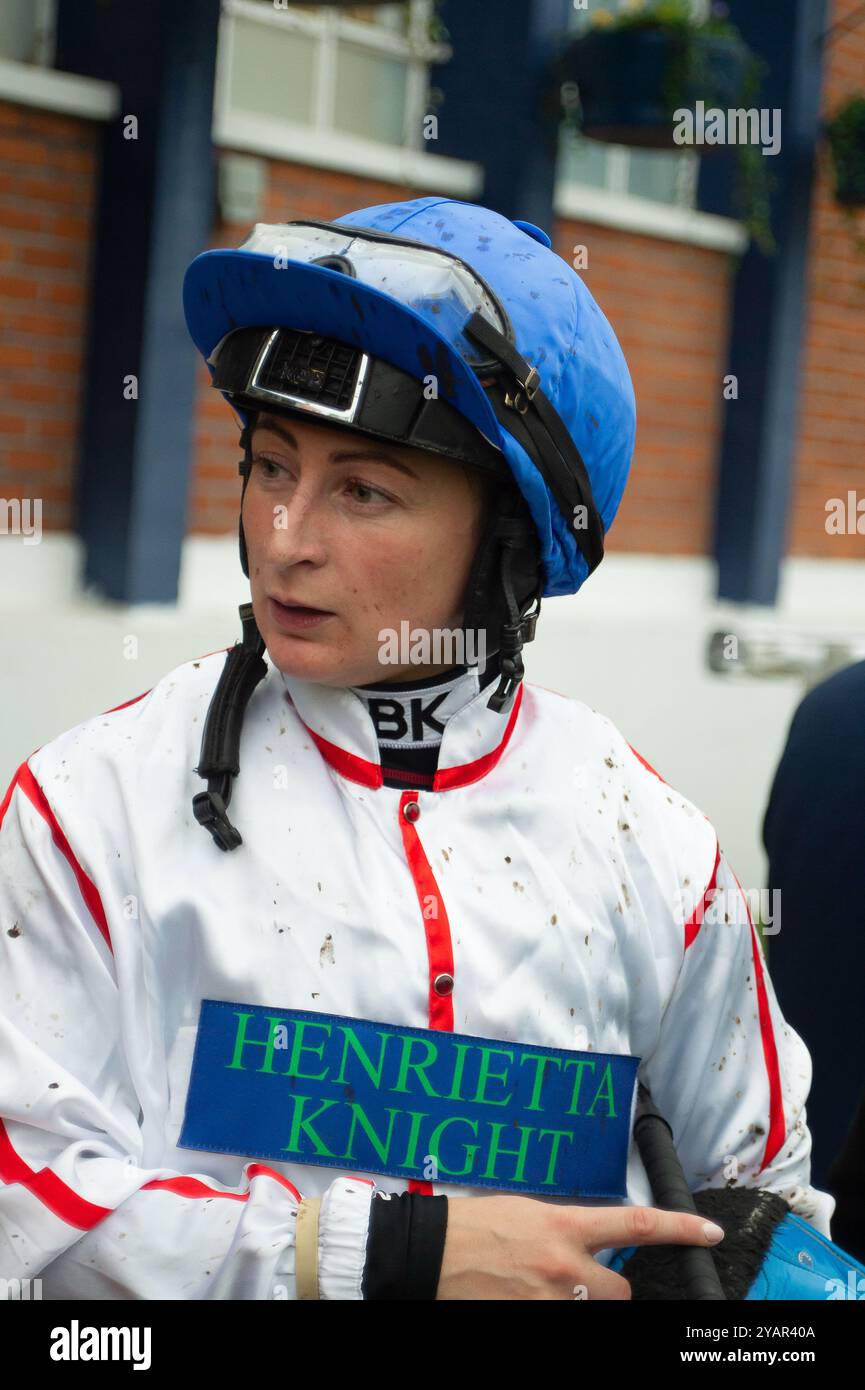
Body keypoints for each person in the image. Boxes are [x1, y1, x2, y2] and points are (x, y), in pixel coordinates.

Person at [0, 197, 832, 1301]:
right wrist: (383, 1257)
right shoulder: (88, 805)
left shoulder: (655, 844)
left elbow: (758, 1202)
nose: (286, 540)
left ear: (507, 542)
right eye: (270, 465)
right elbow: (30, 1205)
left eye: (363, 491)